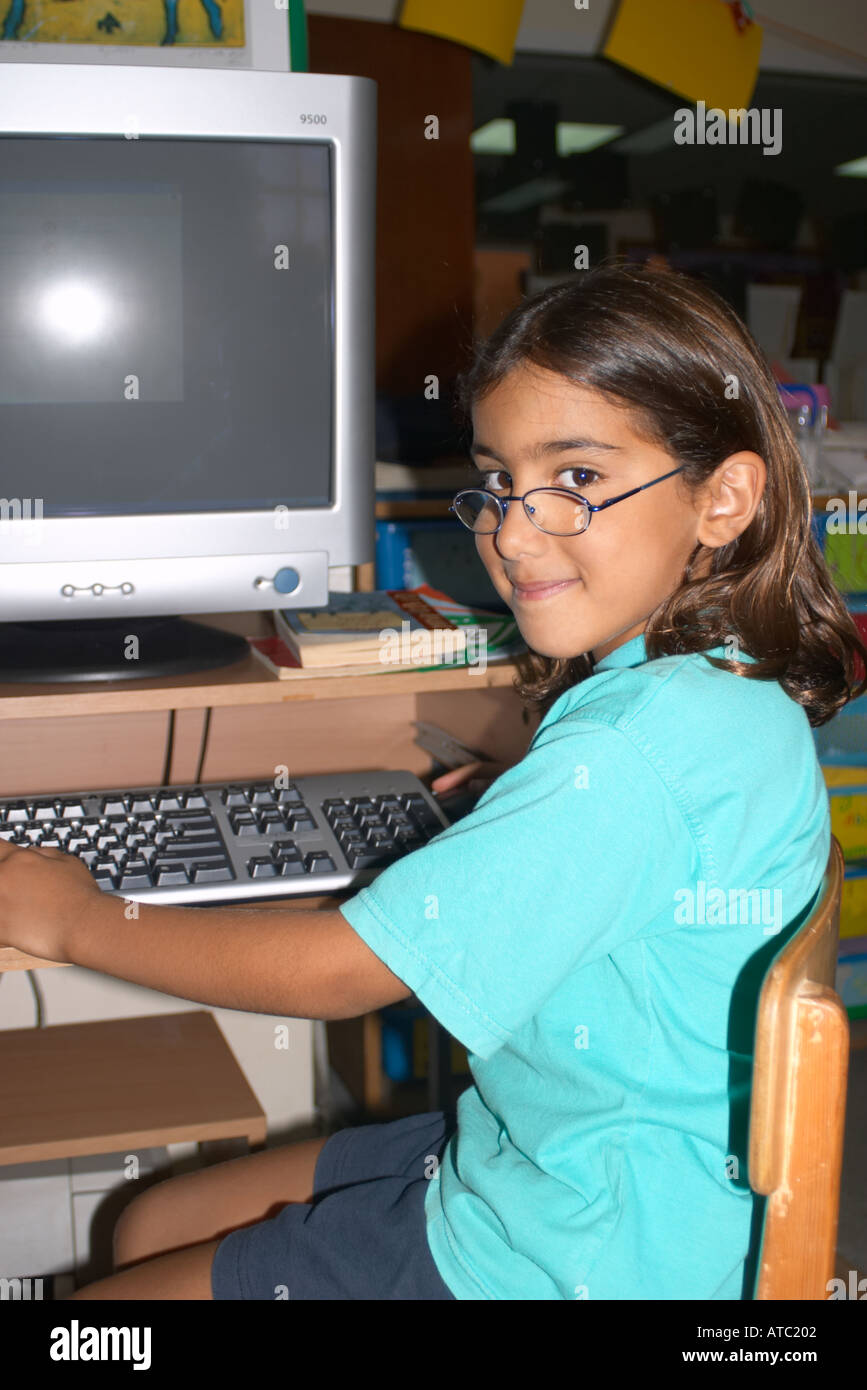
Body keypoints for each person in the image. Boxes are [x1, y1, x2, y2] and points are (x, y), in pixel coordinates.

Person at [0, 262, 863, 1300]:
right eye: (499, 480)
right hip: (626, 1176)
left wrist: (77, 917)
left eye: (578, 478)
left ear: (723, 497)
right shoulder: (724, 686)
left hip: (574, 1254)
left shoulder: (627, 755)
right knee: (150, 1217)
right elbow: (649, 834)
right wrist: (517, 802)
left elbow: (339, 974)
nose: (510, 528)